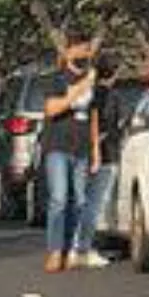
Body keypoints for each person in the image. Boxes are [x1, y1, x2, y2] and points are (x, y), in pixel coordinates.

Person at [41, 33, 103, 273]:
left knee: (79, 201)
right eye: (78, 49)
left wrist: (96, 149)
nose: (83, 54)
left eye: (86, 50)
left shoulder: (91, 80)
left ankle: (69, 249)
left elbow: (93, 116)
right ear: (67, 53)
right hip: (57, 146)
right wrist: (79, 89)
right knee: (58, 199)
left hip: (82, 148)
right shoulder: (56, 79)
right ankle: (55, 250)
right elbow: (51, 109)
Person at [73, 57, 122, 268]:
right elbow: (111, 124)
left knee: (81, 201)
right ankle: (83, 248)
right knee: (94, 205)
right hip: (104, 155)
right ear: (113, 73)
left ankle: (75, 246)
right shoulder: (110, 96)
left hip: (82, 153)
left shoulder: (87, 94)